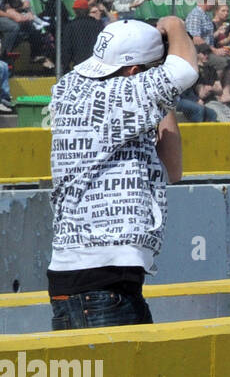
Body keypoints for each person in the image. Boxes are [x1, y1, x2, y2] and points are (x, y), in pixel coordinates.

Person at [47, 17, 198, 330]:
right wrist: (173, 26)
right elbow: (185, 70)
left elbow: (172, 169)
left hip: (94, 281)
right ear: (134, 72)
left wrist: (160, 94)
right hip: (100, 283)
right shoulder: (119, 95)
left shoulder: (70, 88)